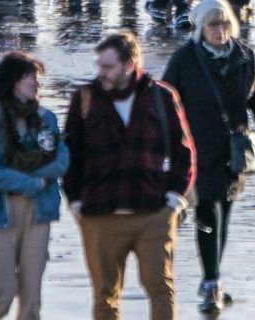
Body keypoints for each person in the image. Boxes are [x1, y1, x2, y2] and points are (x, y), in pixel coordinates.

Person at [160, 0, 255, 315]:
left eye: (225, 23)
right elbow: (165, 103)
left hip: (235, 150)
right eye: (213, 24)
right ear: (201, 27)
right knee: (206, 213)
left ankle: (211, 277)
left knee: (224, 213)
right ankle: (211, 281)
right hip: (197, 150)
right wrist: (166, 148)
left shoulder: (244, 57)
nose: (220, 30)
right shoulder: (185, 59)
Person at [64, 31, 195, 320]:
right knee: (105, 294)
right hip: (100, 215)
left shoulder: (162, 96)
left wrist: (175, 199)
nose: (102, 73)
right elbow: (71, 156)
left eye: (108, 67)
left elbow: (183, 151)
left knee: (160, 287)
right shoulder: (84, 98)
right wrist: (74, 202)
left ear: (129, 64)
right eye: (100, 66)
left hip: (153, 213)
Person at [0, 51, 69, 320]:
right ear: (13, 80)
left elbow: (61, 161)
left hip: (39, 212)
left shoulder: (46, 118)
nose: (36, 84)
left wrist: (27, 175)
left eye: (36, 78)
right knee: (2, 294)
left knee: (31, 301)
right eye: (30, 77)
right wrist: (33, 181)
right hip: (0, 212)